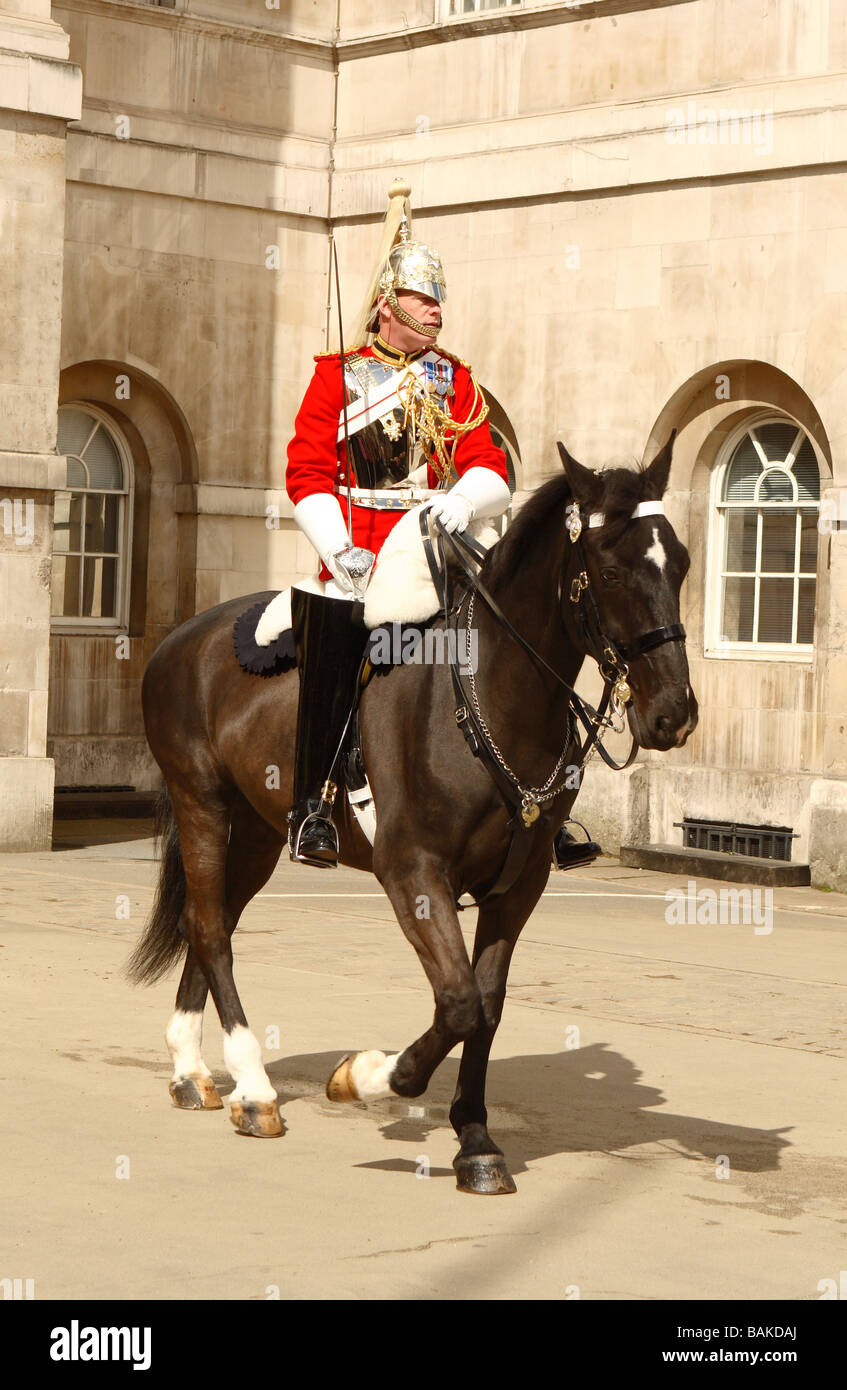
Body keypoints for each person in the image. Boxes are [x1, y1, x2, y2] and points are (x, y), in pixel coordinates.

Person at [284, 180, 511, 867]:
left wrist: (464, 501)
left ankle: (534, 794)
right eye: (422, 299)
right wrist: (337, 546)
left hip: (435, 545)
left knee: (512, 634)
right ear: (386, 306)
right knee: (338, 640)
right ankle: (314, 806)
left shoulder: (455, 381)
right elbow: (305, 472)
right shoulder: (338, 376)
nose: (436, 311)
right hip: (357, 545)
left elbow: (489, 463)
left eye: (439, 300)